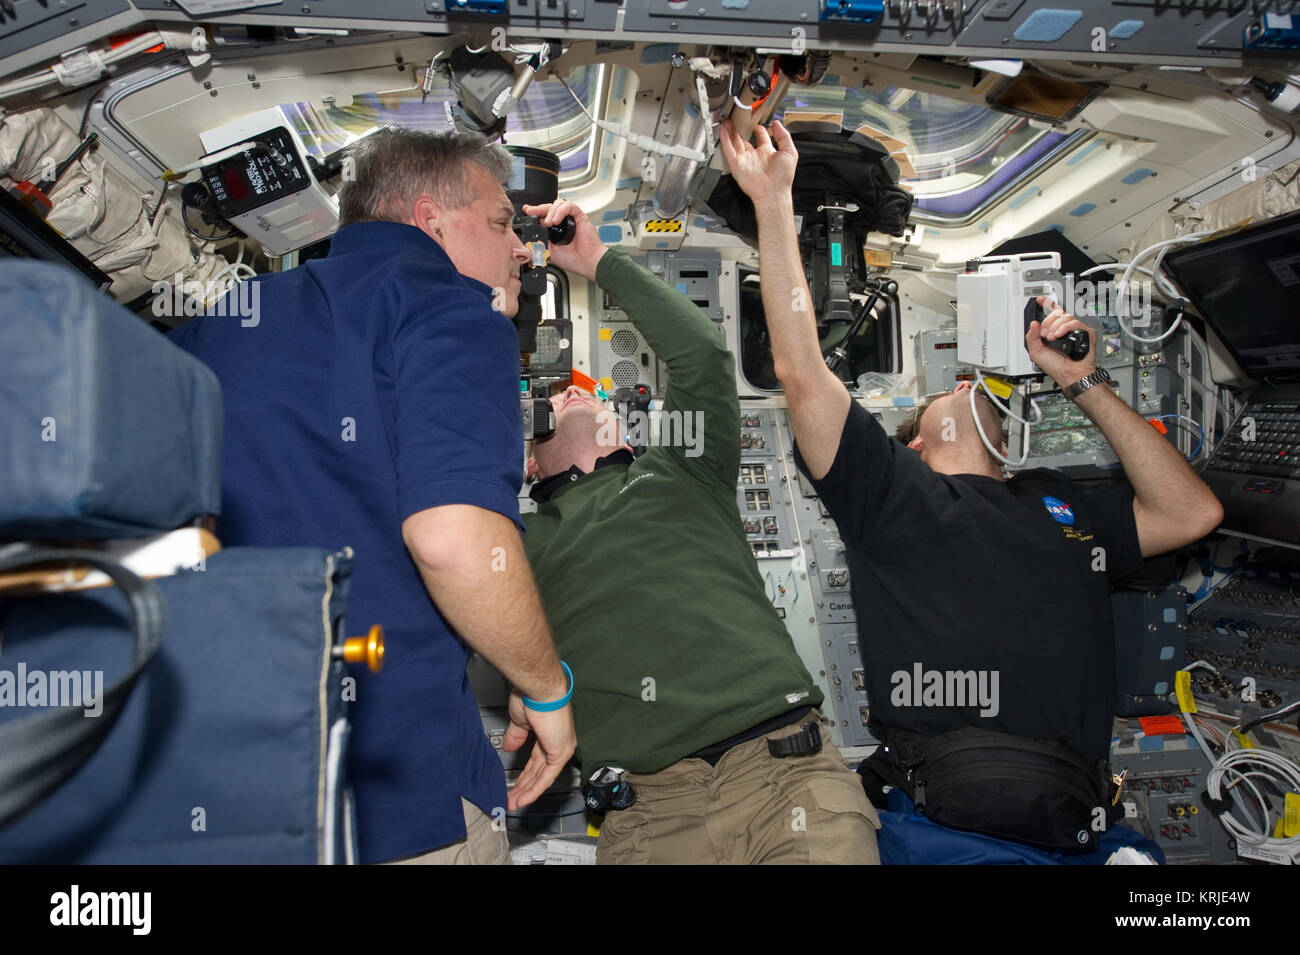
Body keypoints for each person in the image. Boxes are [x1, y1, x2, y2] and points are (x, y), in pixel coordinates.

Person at [718, 117, 1224, 858]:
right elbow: (801, 371)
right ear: (918, 442)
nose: (963, 379)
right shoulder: (890, 496)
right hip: (951, 827)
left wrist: (1081, 379)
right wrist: (770, 202)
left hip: (1082, 826)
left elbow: (1193, 512)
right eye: (944, 390)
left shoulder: (1060, 498)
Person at [169, 127, 575, 864]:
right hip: (398, 797)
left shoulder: (214, 325)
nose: (521, 249)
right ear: (431, 221)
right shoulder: (454, 310)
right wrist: (544, 686)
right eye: (501, 224)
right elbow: (452, 539)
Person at [519, 198, 880, 865]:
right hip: (651, 813)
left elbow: (702, 357)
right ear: (525, 455)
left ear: (625, 428)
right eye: (552, 395)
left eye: (588, 389)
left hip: (782, 775)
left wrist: (596, 259)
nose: (572, 391)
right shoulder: (516, 538)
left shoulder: (684, 469)